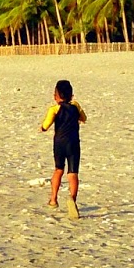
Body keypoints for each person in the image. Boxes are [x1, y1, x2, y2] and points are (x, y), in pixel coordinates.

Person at [40, 79, 86, 218]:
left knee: (58, 170)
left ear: (56, 96)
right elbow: (84, 118)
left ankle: (53, 199)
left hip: (59, 143)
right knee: (73, 173)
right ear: (71, 95)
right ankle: (72, 198)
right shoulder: (75, 106)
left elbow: (46, 125)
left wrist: (42, 128)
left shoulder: (54, 109)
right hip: (73, 143)